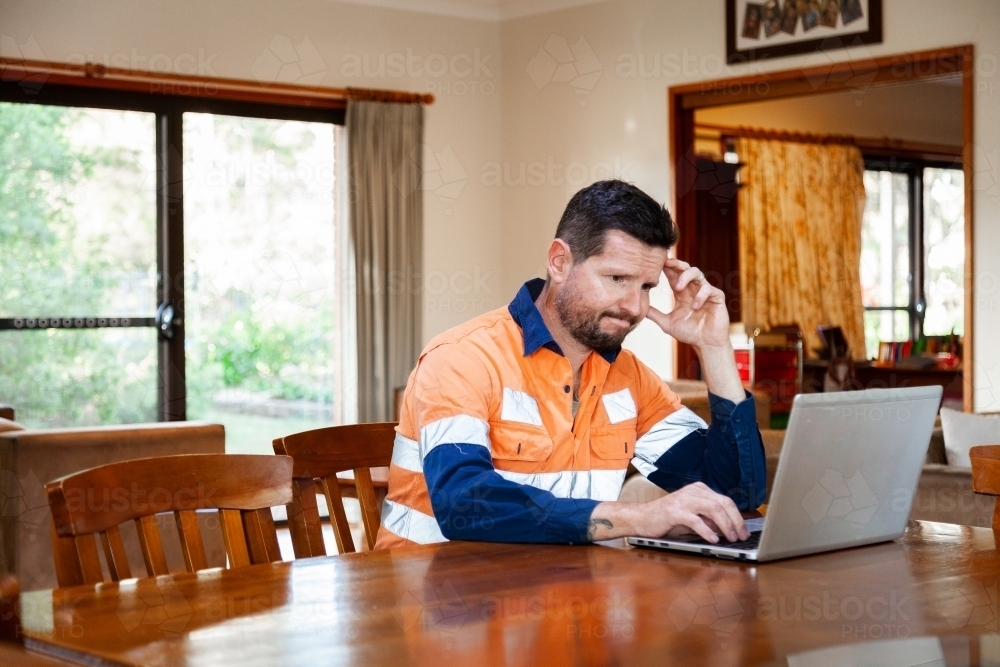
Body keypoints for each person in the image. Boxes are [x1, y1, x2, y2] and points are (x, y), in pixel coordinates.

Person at [374, 180, 765, 549]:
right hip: (431, 600)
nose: (635, 307)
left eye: (646, 287)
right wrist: (637, 518)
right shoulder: (462, 359)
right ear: (559, 262)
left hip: (555, 599)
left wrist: (713, 348)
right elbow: (465, 505)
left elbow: (735, 497)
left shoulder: (630, 378)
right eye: (616, 278)